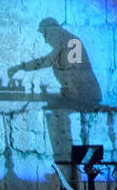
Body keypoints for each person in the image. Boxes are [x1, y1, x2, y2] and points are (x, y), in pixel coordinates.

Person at [7, 18, 102, 165]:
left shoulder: (71, 44)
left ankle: (65, 165)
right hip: (76, 97)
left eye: (45, 35)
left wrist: (65, 96)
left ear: (52, 31)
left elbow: (74, 74)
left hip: (84, 97)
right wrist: (21, 67)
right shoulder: (64, 46)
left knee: (54, 113)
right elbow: (45, 61)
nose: (45, 40)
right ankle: (64, 164)